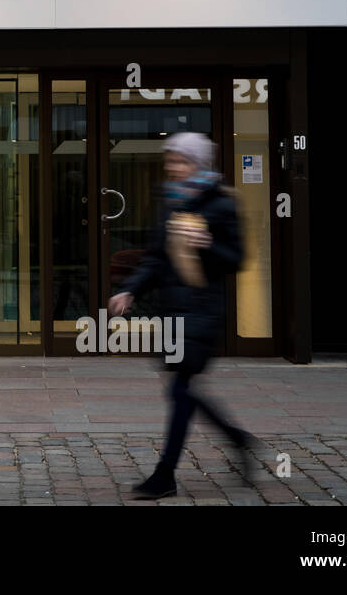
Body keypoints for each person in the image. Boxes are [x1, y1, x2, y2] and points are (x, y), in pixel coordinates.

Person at [107, 131, 257, 499]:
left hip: (204, 309)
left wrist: (208, 244)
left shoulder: (221, 205)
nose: (173, 167)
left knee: (180, 388)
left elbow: (238, 260)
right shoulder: (171, 202)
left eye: (181, 161)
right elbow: (157, 258)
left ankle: (165, 474)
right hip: (173, 310)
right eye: (170, 161)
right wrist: (131, 289)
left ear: (200, 163)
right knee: (183, 390)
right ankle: (237, 438)